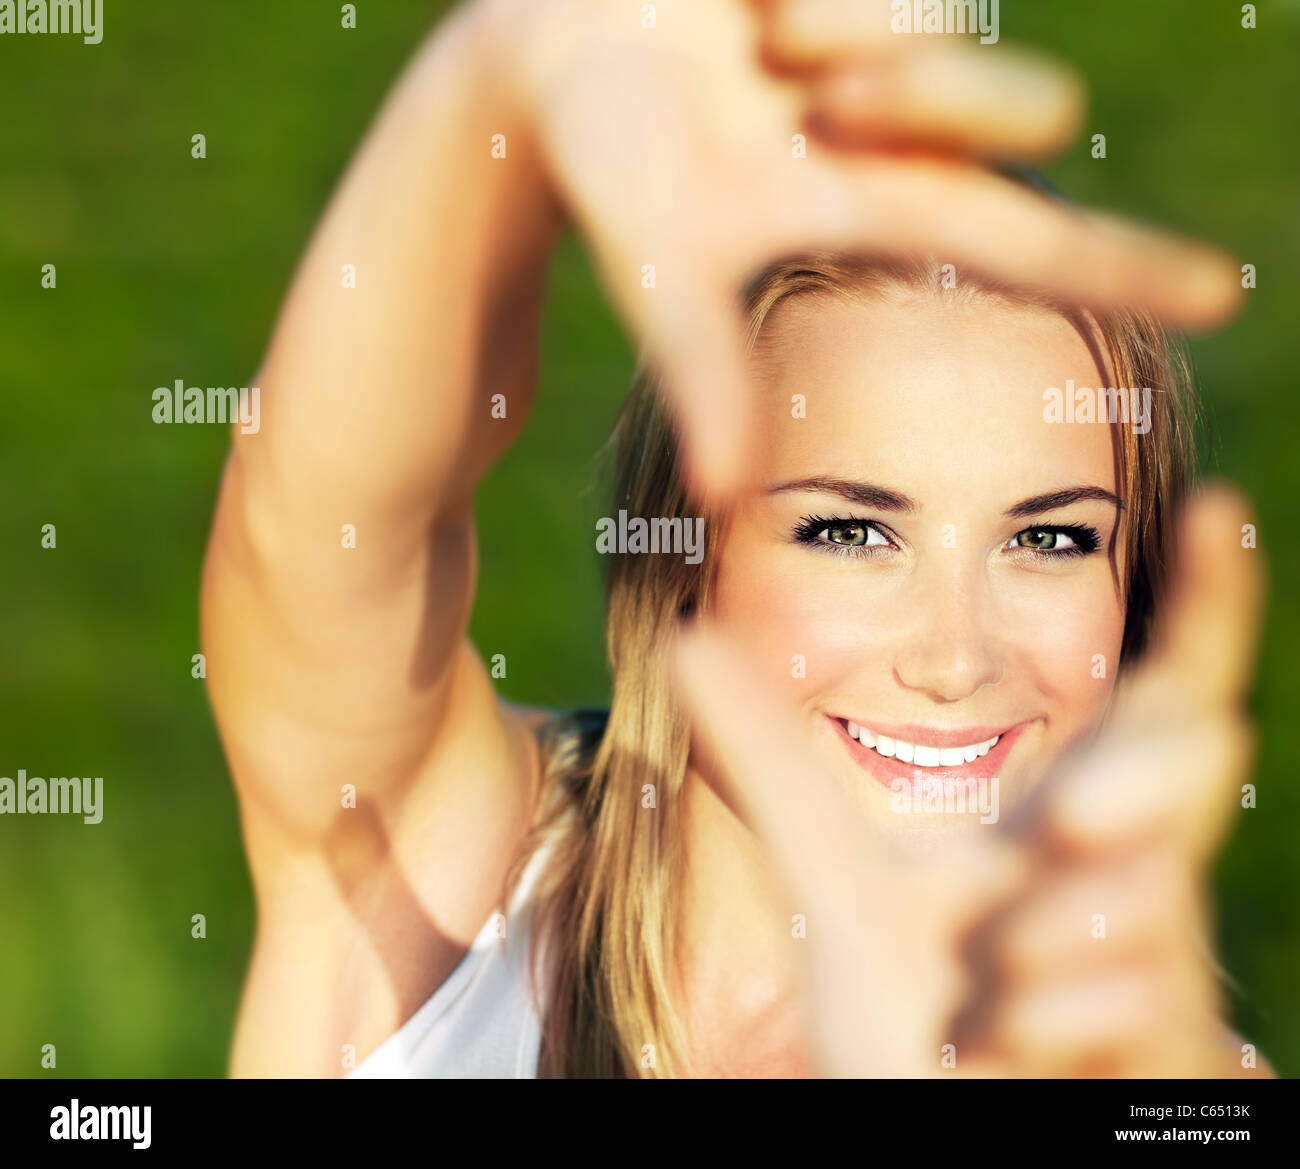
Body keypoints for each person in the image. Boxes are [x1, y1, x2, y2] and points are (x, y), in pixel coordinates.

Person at [202, 0, 1264, 1077]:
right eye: (850, 530)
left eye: (1052, 541)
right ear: (686, 556)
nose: (957, 657)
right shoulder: (451, 886)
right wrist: (504, 78)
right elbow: (316, 528)